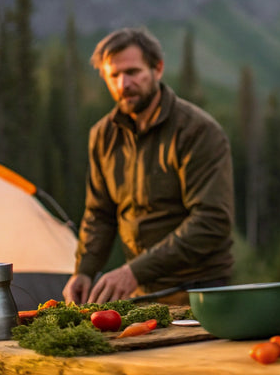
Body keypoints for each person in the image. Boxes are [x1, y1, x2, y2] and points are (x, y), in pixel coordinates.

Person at [62, 27, 234, 306]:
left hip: (201, 290)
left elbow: (211, 221)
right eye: (113, 75)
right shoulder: (103, 135)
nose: (123, 84)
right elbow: (100, 214)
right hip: (141, 291)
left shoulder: (198, 131)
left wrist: (134, 271)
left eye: (132, 72)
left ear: (158, 68)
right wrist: (84, 271)